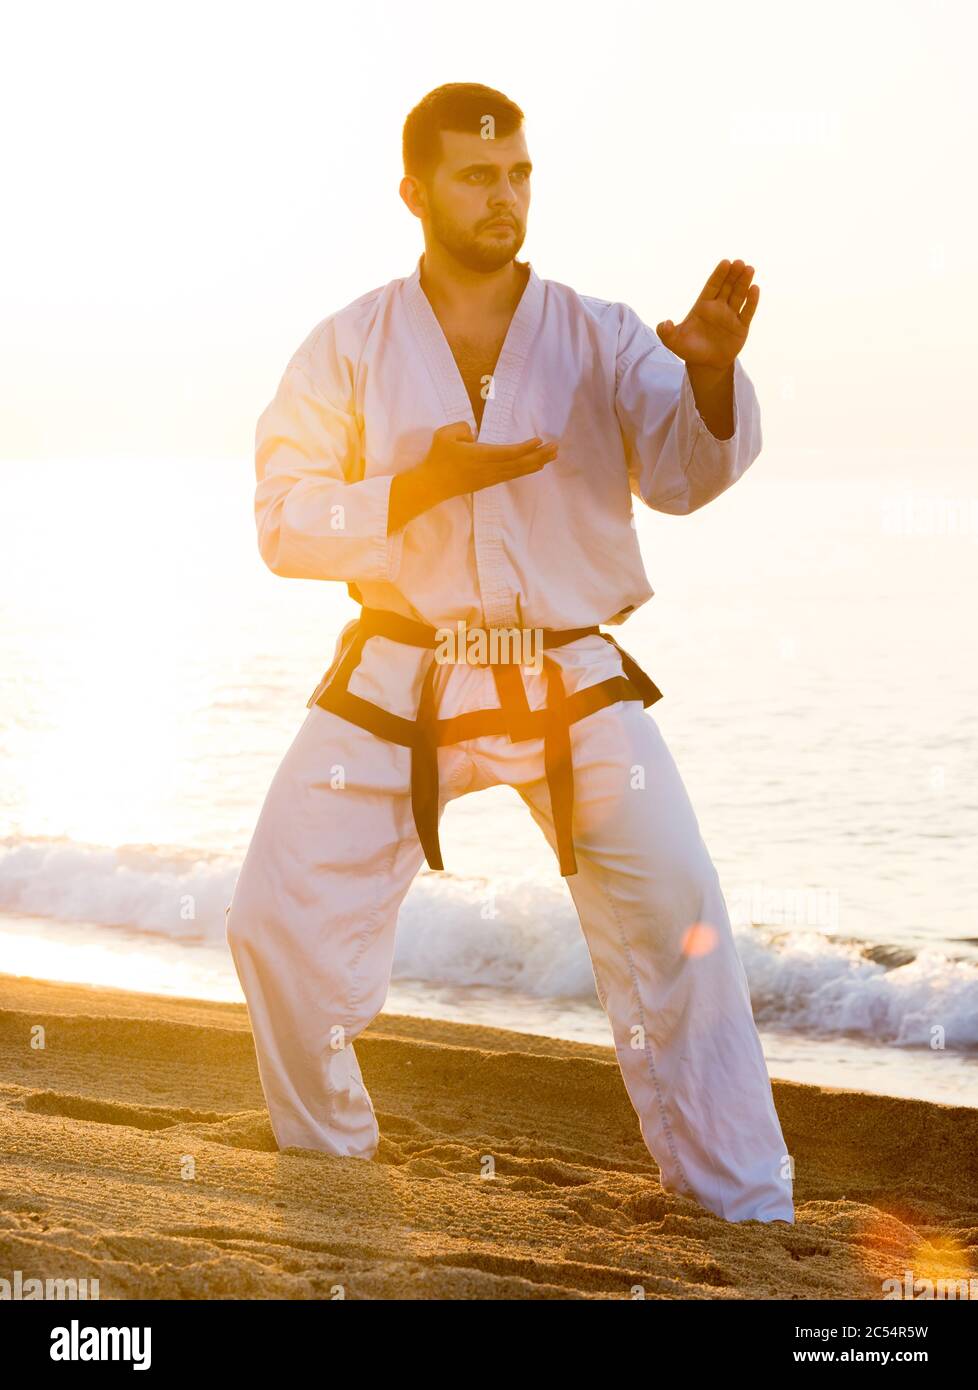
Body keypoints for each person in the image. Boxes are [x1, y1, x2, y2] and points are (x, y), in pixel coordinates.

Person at [226, 82, 794, 1224]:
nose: (506, 194)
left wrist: (713, 371)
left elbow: (683, 477)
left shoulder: (601, 332)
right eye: (479, 174)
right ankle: (331, 1164)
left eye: (521, 171)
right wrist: (417, 485)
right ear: (415, 190)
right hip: (402, 673)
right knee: (272, 918)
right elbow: (282, 519)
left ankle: (743, 1201)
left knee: (681, 915)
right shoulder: (349, 344)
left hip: (567, 678)